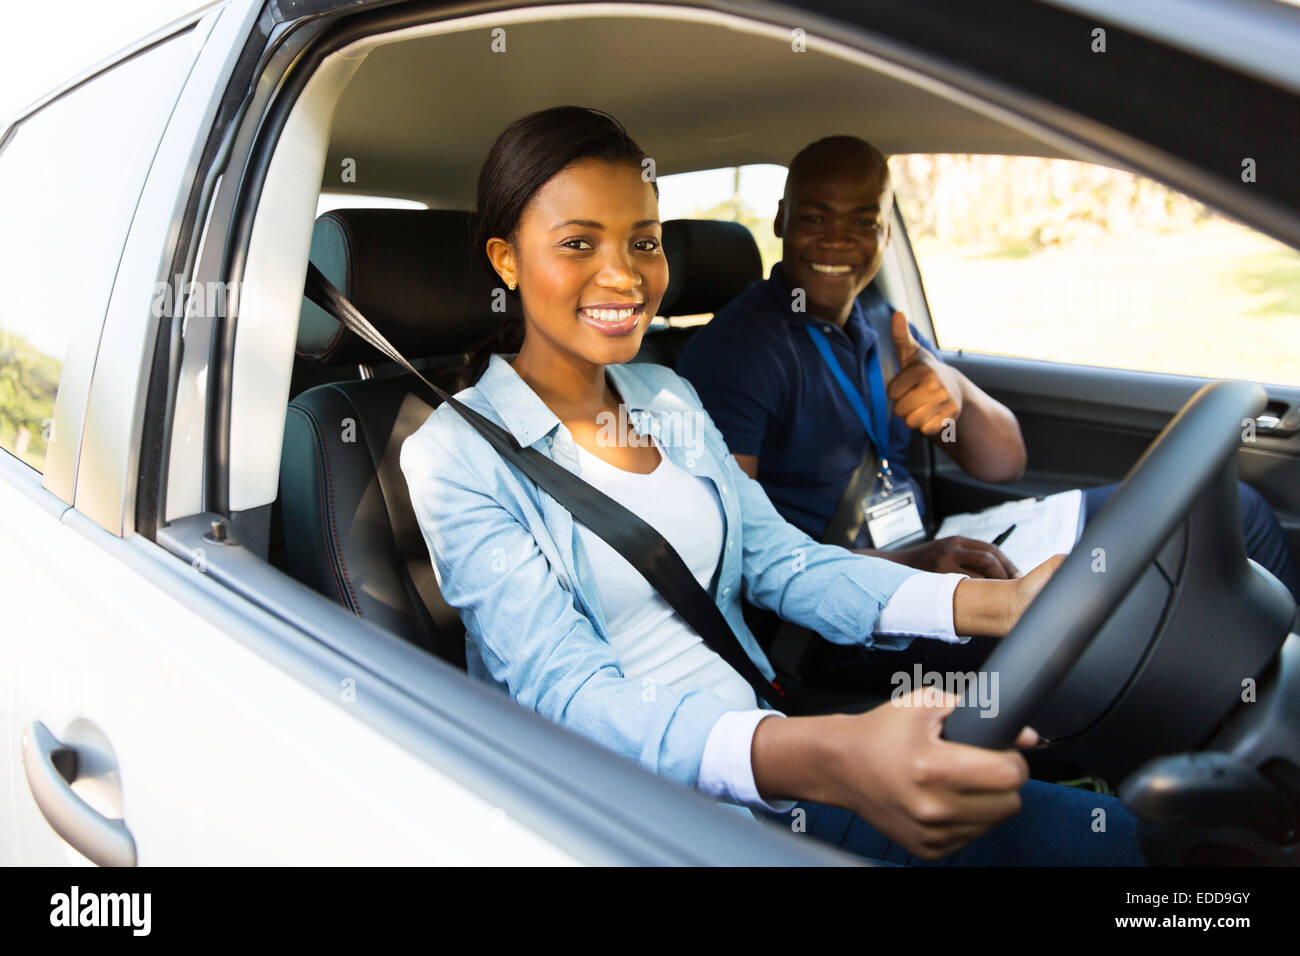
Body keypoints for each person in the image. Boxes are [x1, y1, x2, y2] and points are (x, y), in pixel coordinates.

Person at [400, 105, 1145, 864]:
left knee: (1122, 848)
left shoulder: (664, 396)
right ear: (507, 261)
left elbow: (782, 562)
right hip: (631, 816)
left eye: (644, 242)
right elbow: (568, 698)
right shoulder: (455, 456)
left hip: (769, 759)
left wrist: (1000, 603)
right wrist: (833, 755)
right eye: (577, 243)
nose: (624, 274)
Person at [674, 135, 1300, 689]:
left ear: (888, 230)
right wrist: (912, 566)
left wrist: (957, 389)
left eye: (863, 220)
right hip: (838, 615)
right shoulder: (737, 351)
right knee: (1100, 620)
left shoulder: (882, 328)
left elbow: (1003, 463)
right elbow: (741, 559)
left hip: (930, 552)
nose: (839, 239)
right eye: (816, 216)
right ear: (782, 219)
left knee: (1228, 511)